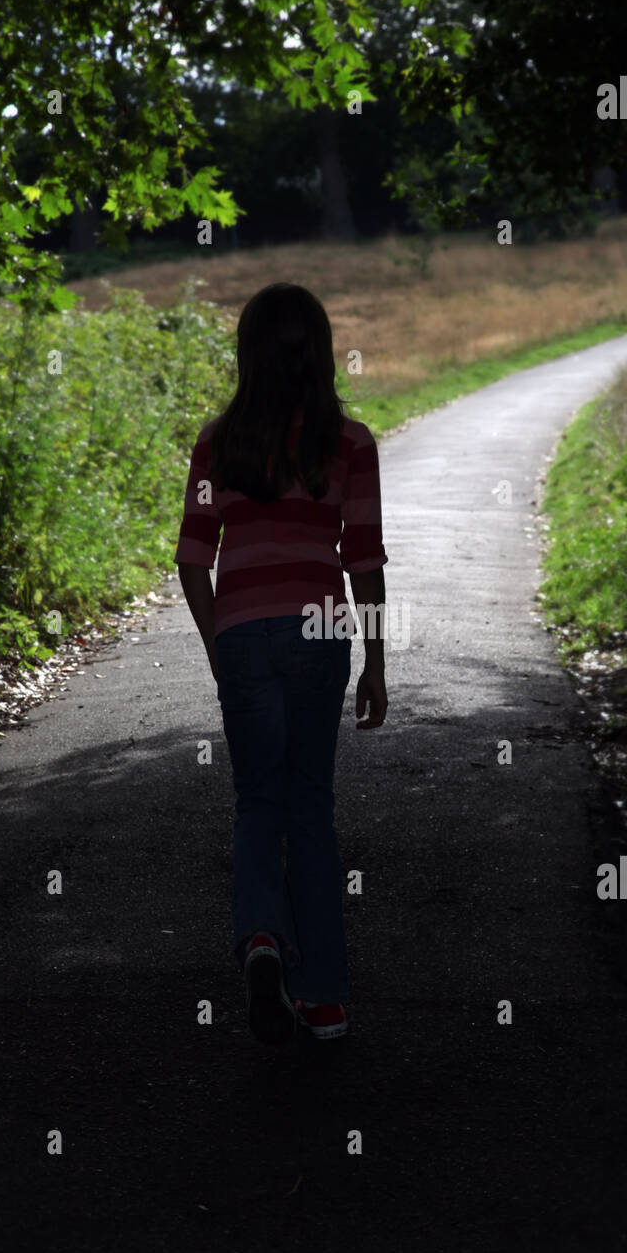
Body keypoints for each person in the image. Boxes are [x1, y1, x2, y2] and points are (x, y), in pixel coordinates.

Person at [175, 282, 388, 1045]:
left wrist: (217, 644)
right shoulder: (350, 443)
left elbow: (193, 558)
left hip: (243, 634)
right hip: (318, 630)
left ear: (249, 357)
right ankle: (325, 997)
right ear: (321, 355)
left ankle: (263, 938)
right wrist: (376, 661)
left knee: (258, 801)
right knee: (310, 806)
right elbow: (364, 558)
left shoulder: (218, 443)